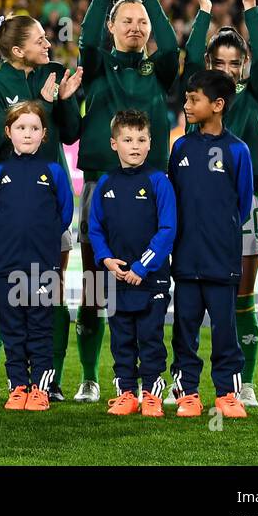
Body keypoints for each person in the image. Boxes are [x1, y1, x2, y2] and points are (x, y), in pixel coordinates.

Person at [74, 0, 178, 403]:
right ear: (113, 27)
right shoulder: (96, 67)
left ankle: (152, 378)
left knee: (150, 285)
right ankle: (91, 377)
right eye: (127, 21)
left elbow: (174, 46)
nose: (136, 28)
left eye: (143, 23)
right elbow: (85, 39)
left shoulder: (158, 69)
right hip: (100, 182)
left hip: (153, 186)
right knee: (98, 287)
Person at [0, 9, 81, 401]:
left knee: (48, 289)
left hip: (50, 200)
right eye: (39, 40)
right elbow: (3, 144)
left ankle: (49, 382)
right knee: (0, 294)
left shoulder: (53, 72)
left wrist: (64, 101)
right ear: (17, 50)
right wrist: (44, 103)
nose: (48, 44)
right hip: (10, 200)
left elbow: (70, 135)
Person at [184, 0, 258, 407]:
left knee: (241, 298)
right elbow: (185, 57)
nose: (226, 70)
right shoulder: (195, 100)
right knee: (191, 298)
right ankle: (189, 385)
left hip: (245, 206)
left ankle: (246, 382)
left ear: (244, 67)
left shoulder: (256, 95)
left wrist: (252, 8)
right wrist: (204, 13)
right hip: (196, 209)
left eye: (233, 63)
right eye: (217, 63)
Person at [167, 70, 254, 419]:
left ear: (217, 105)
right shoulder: (181, 147)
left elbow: (242, 203)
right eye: (186, 98)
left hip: (223, 259)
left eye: (194, 100)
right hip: (186, 259)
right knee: (184, 329)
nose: (187, 105)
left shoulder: (238, 150)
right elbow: (173, 199)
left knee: (225, 331)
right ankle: (187, 391)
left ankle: (226, 394)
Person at [85, 110, 177, 417]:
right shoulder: (105, 183)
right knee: (121, 337)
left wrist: (142, 267)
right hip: (116, 278)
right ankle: (125, 392)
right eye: (127, 139)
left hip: (151, 279)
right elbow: (95, 228)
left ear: (151, 143)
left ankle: (151, 393)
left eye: (141, 139)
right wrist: (107, 259)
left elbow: (168, 230)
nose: (134, 146)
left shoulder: (158, 181)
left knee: (150, 337)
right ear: (114, 144)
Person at [0, 102, 74, 412]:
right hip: (7, 264)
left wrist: (42, 239)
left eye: (35, 128)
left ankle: (41, 389)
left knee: (39, 326)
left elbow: (65, 214)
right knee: (12, 328)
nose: (27, 133)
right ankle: (19, 385)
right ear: (8, 132)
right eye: (21, 127)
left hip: (41, 265)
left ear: (44, 135)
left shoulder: (53, 172)